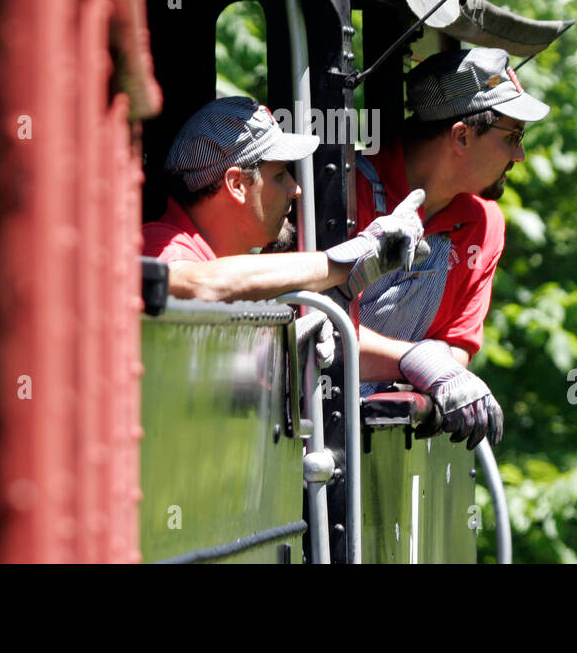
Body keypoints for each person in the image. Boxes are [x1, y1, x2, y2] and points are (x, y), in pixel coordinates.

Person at [347, 46, 551, 450]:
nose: (520, 155)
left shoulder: (484, 224)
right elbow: (315, 332)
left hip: (387, 445)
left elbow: (457, 346)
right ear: (461, 136)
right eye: (513, 137)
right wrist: (421, 361)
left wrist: (437, 364)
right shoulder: (345, 195)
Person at [143, 96, 428, 303]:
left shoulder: (238, 269)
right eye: (280, 175)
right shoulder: (157, 242)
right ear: (237, 184)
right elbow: (194, 284)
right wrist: (356, 259)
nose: (296, 189)